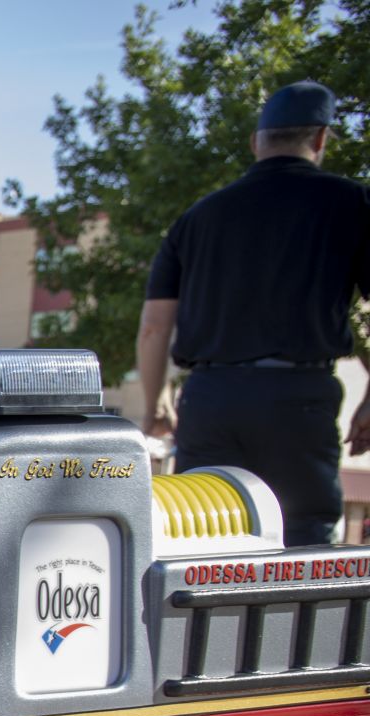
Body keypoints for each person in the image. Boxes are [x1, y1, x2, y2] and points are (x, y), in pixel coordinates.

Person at [137, 80, 370, 547]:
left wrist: (155, 405)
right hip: (297, 398)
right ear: (321, 139)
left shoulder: (197, 217)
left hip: (209, 399)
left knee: (202, 534)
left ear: (255, 143)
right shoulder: (351, 203)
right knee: (303, 540)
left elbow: (154, 327)